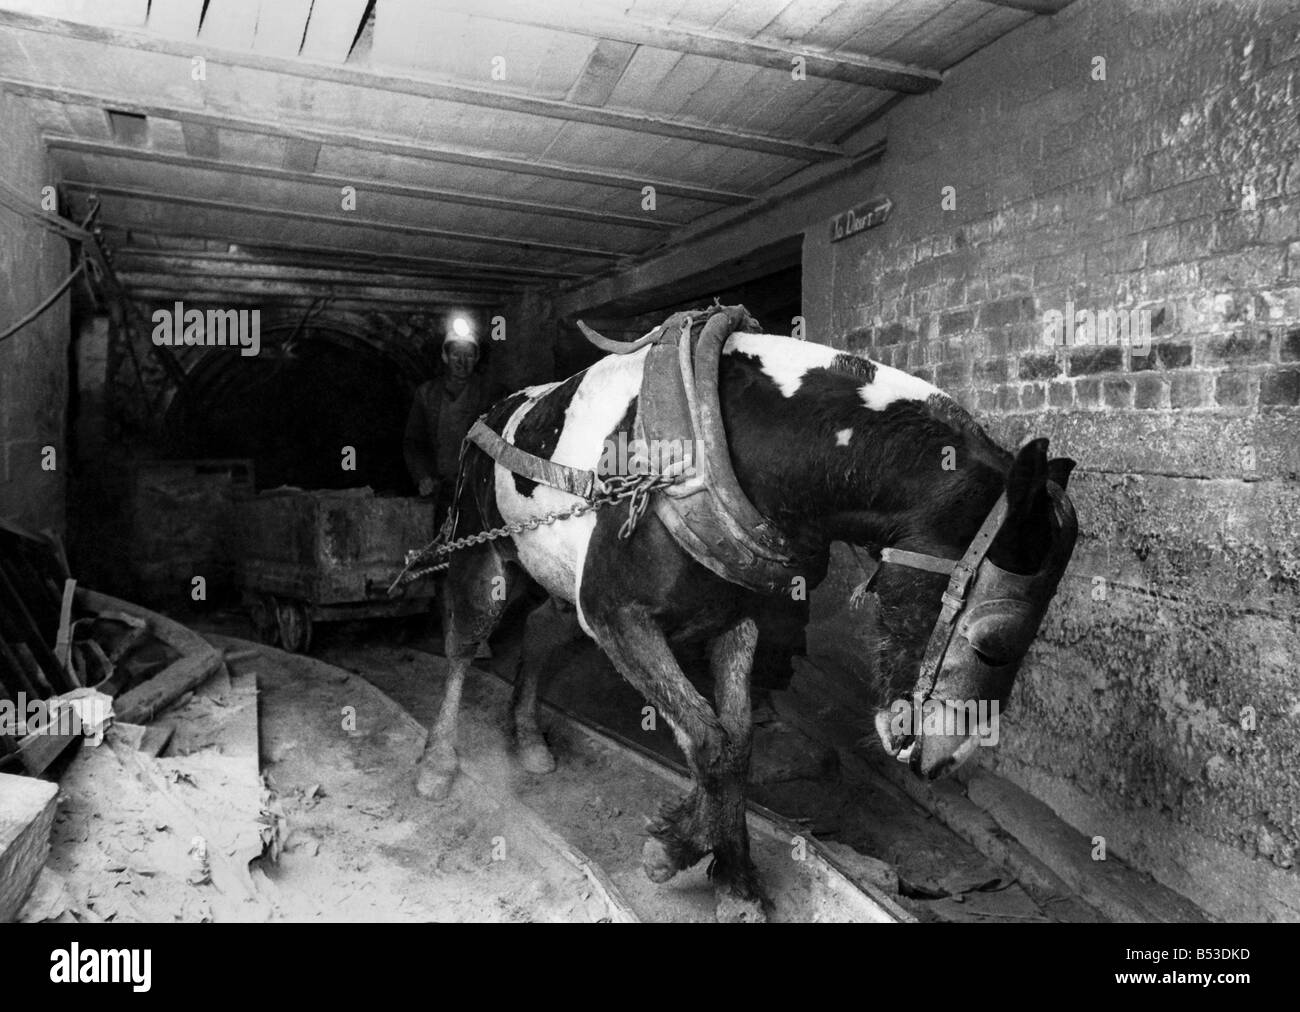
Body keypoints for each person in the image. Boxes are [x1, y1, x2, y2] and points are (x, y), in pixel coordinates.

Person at [403, 318, 493, 526]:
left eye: (469, 355)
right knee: (444, 546)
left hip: (478, 487)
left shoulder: (490, 394)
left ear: (477, 358)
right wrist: (422, 475)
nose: (462, 362)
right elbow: (414, 442)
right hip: (442, 489)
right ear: (445, 356)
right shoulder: (427, 394)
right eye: (456, 355)